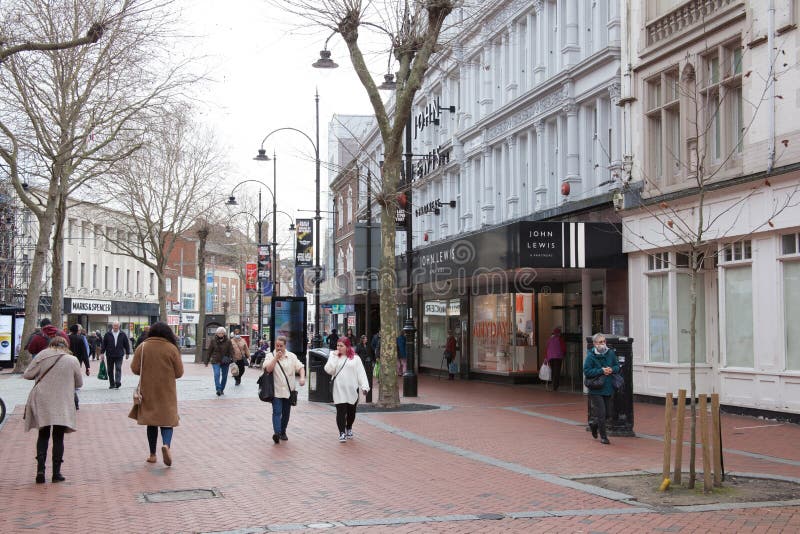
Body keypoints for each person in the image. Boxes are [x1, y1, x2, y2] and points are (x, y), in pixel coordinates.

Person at [23, 336, 83, 483]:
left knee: (43, 435)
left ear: (51, 344)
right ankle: (56, 473)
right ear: (66, 346)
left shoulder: (42, 355)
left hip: (43, 400)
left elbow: (27, 374)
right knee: (58, 437)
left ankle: (41, 471)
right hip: (62, 402)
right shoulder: (72, 359)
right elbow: (79, 383)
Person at [128, 322, 184, 466]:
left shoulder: (143, 347)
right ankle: (166, 445)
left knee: (151, 422)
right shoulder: (172, 348)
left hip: (148, 390)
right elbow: (179, 373)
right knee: (168, 421)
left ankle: (152, 454)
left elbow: (134, 369)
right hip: (167, 391)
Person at [324, 337, 369, 443]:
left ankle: (348, 427)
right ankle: (341, 432)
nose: (338, 348)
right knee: (340, 411)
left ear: (347, 346)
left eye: (341, 346)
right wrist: (333, 357)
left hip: (352, 389)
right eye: (337, 345)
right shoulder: (334, 356)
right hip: (338, 389)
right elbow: (329, 370)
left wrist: (365, 386)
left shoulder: (355, 358)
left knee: (351, 412)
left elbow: (361, 373)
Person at [262, 335, 306, 444]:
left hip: (288, 390)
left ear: (285, 346)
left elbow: (301, 367)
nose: (279, 348)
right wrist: (275, 358)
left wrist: (302, 378)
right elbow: (268, 369)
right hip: (276, 390)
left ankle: (283, 431)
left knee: (286, 413)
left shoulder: (292, 356)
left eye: (281, 346)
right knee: (277, 411)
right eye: (277, 346)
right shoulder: (270, 356)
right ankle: (276, 433)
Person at [583, 333, 620, 445]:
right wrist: (601, 370)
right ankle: (604, 437)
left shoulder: (611, 353)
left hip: (608, 388)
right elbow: (587, 371)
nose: (603, 344)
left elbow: (617, 366)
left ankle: (594, 424)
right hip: (596, 388)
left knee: (608, 414)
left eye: (604, 341)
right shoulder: (590, 356)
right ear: (594, 344)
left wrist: (611, 369)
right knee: (602, 413)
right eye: (600, 342)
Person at [204, 327, 233, 396]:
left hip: (225, 361)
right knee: (217, 374)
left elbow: (231, 351)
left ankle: (222, 389)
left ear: (224, 334)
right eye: (219, 333)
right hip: (216, 360)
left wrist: (233, 359)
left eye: (222, 333)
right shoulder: (213, 340)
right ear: (216, 333)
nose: (220, 334)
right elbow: (209, 351)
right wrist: (206, 361)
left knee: (224, 376)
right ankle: (218, 389)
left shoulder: (228, 341)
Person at [101, 321, 131, 389]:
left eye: (117, 325)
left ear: (119, 326)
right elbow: (104, 344)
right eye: (114, 325)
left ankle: (117, 382)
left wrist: (127, 353)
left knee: (118, 368)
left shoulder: (122, 334)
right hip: (110, 355)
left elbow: (126, 344)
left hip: (119, 355)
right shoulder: (107, 334)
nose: (115, 327)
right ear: (112, 326)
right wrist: (102, 353)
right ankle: (112, 384)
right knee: (110, 370)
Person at [544, 327, 567, 391]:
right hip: (558, 357)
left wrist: (546, 358)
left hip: (551, 357)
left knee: (553, 371)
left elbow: (547, 349)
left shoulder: (550, 339)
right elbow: (563, 348)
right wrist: (564, 354)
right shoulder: (560, 339)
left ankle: (553, 384)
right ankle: (555, 386)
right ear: (559, 333)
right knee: (557, 372)